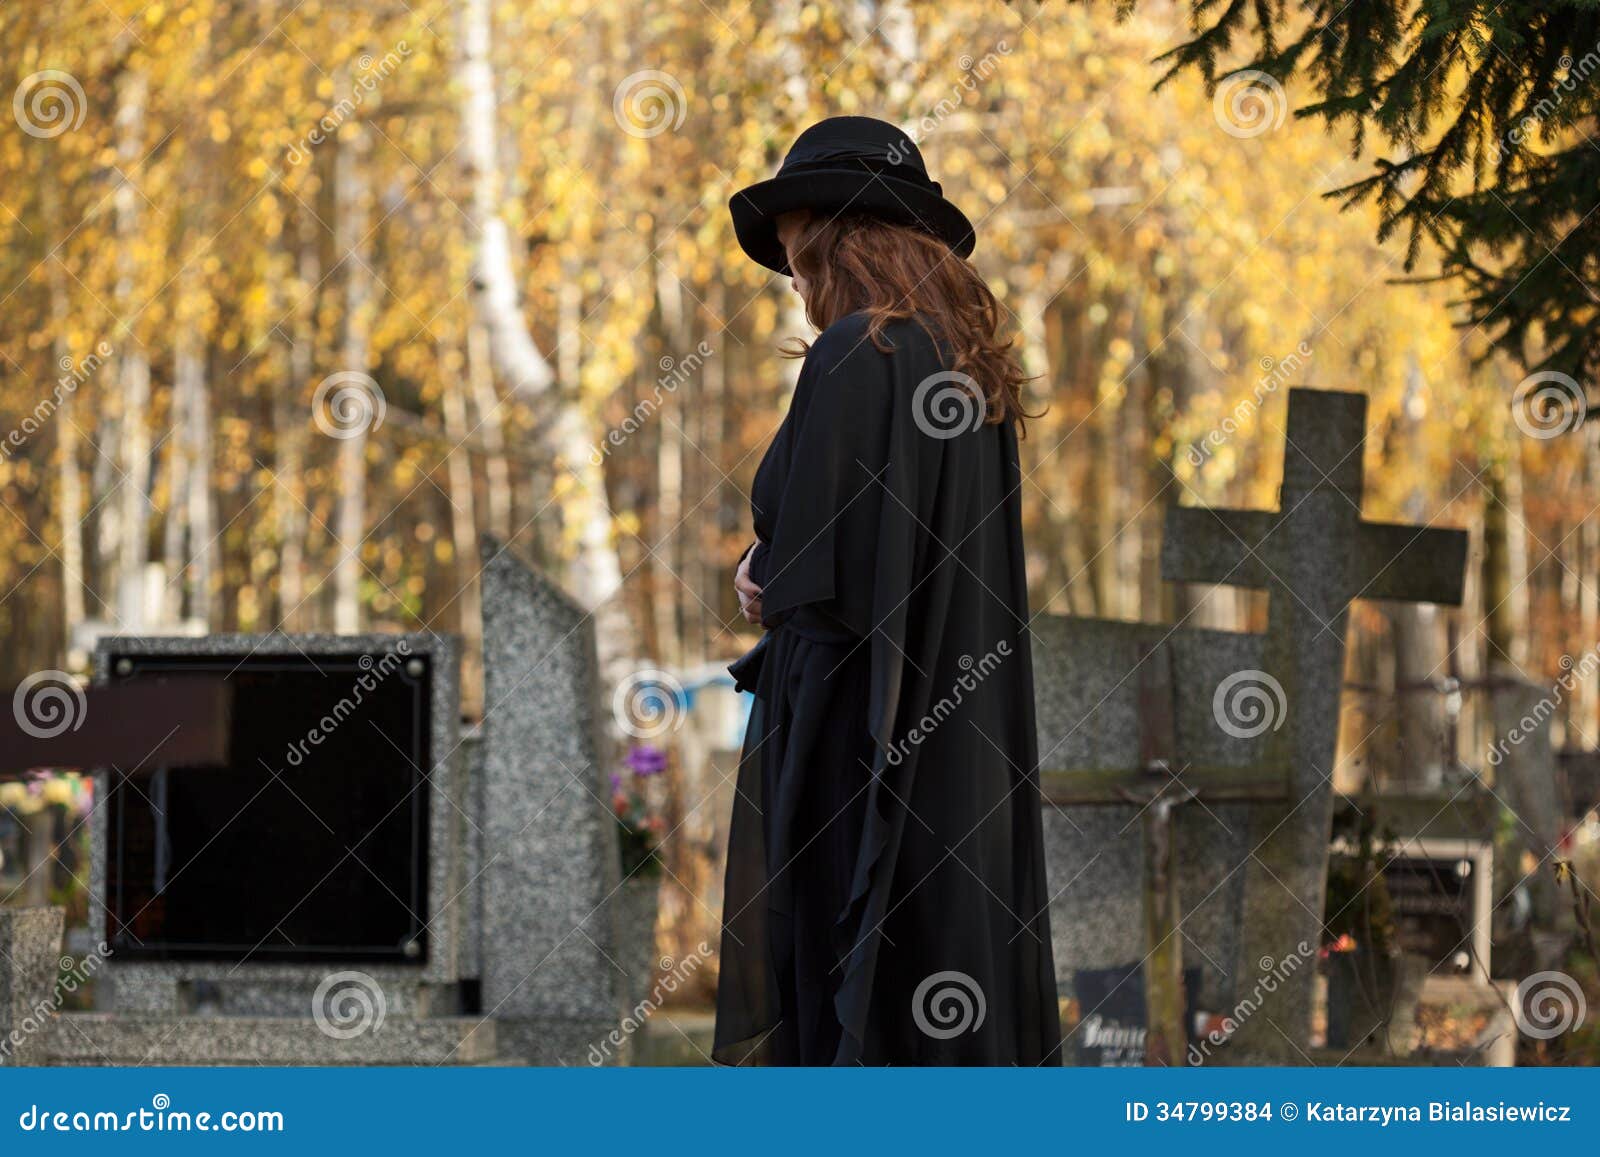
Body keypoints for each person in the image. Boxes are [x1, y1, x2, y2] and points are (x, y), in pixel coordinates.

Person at [713, 116, 1062, 1066]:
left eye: (794, 256)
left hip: (858, 748)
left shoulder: (854, 353)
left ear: (832, 236)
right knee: (942, 986)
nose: (793, 281)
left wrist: (765, 582)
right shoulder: (962, 366)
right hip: (959, 747)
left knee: (855, 989)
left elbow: (833, 585)